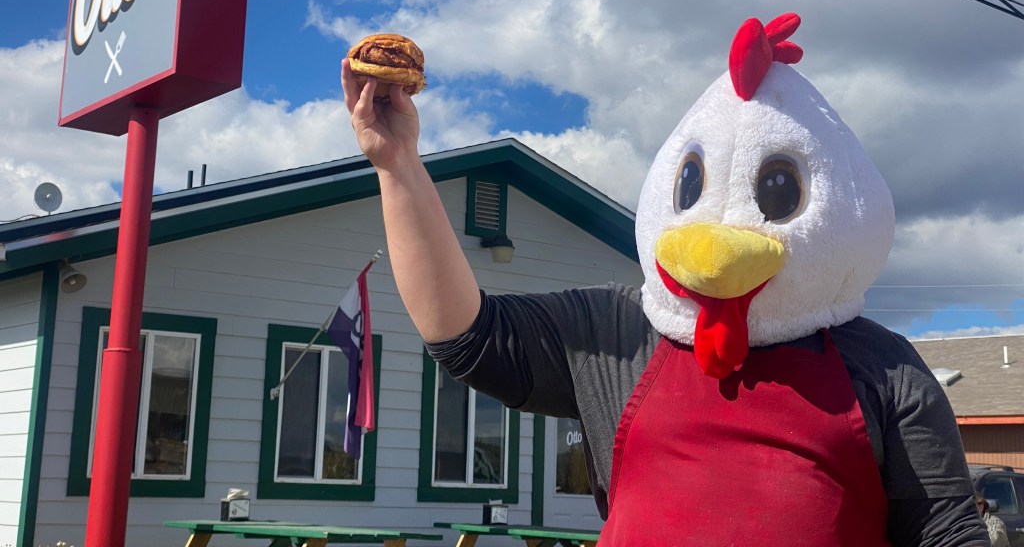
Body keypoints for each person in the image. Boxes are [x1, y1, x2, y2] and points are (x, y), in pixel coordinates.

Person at [341, 54, 988, 546]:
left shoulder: (886, 371)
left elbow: (946, 534)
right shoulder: (620, 332)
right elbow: (467, 336)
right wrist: (398, 165)